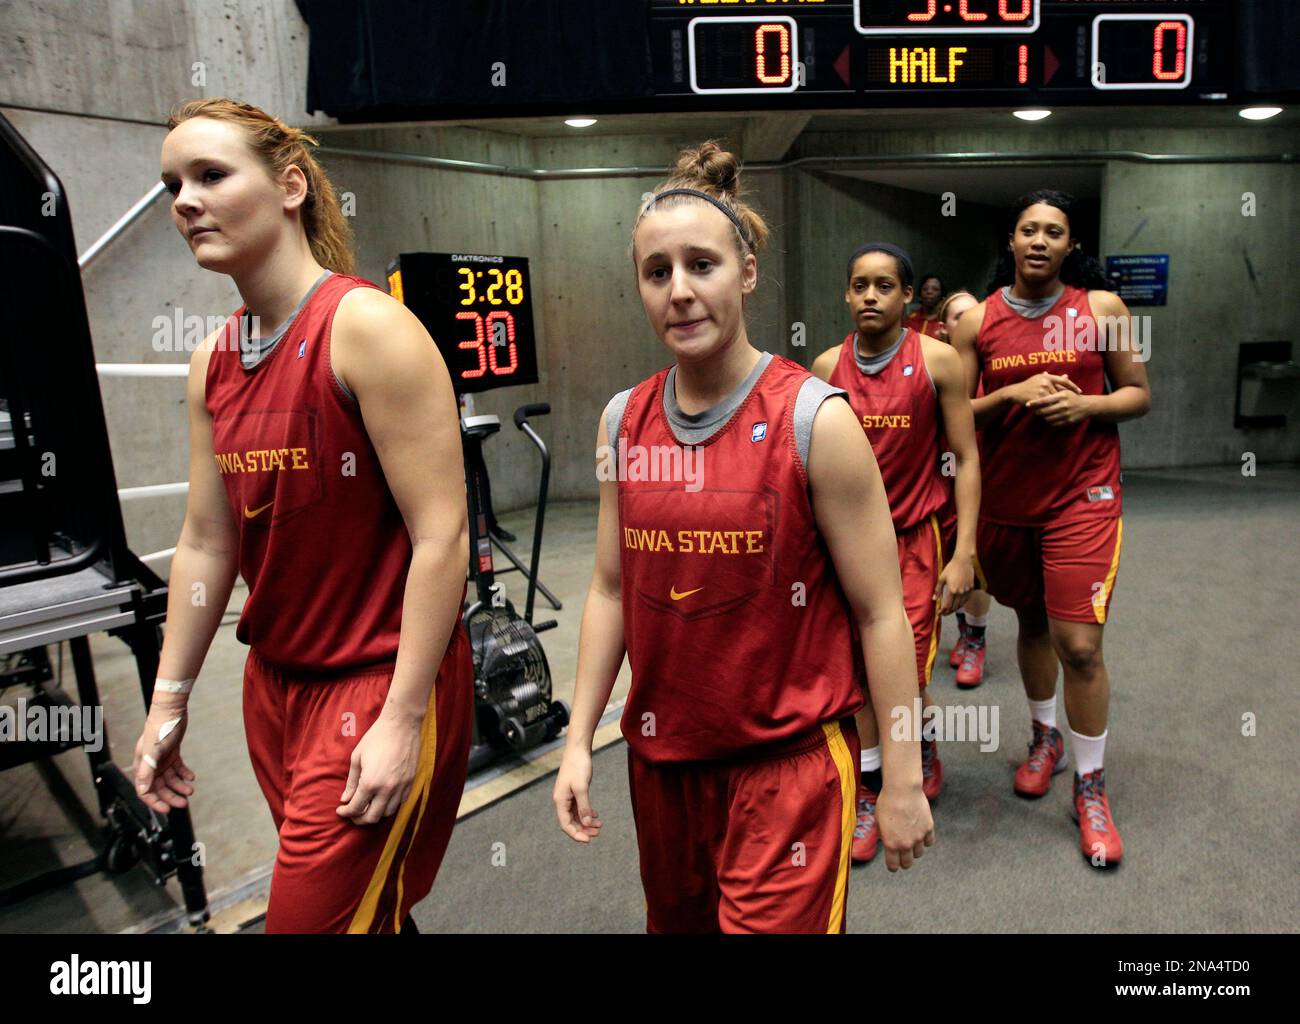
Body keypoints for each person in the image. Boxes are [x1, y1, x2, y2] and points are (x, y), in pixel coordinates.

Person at [553, 141, 934, 932]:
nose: (680, 292)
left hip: (786, 772)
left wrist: (899, 779)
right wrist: (579, 739)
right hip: (664, 771)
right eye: (658, 273)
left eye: (703, 265)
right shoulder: (623, 420)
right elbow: (610, 588)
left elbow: (881, 614)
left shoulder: (814, 420)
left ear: (748, 271)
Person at [134, 98, 474, 932]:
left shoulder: (368, 329)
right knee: (368, 911)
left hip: (378, 679)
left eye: (211, 175)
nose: (184, 199)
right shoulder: (211, 360)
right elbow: (207, 543)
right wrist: (168, 698)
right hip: (276, 688)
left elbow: (444, 537)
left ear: (291, 186)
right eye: (173, 183)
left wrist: (402, 716)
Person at [950, 189, 1151, 867]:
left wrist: (1086, 406)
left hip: (1083, 496)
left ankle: (1092, 787)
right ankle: (1045, 738)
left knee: (1081, 645)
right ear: (1012, 240)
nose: (1039, 240)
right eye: (1029, 229)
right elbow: (956, 420)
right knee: (1031, 625)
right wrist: (1006, 395)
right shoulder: (976, 323)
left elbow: (1137, 393)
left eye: (1054, 232)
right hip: (1008, 503)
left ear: (1071, 246)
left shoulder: (1101, 310)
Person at [812, 246, 980, 864]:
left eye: (885, 286)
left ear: (908, 297)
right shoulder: (826, 365)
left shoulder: (936, 361)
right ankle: (871, 788)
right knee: (854, 679)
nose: (870, 297)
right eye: (859, 285)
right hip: (841, 546)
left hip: (913, 542)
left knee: (901, 677)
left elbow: (966, 456)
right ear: (847, 296)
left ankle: (905, 762)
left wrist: (964, 552)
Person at [937, 289, 994, 687]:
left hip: (978, 474)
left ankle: (976, 639)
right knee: (944, 558)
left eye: (974, 315)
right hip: (936, 480)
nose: (968, 323)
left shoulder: (990, 370)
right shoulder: (928, 363)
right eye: (958, 317)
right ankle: (961, 626)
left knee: (972, 560)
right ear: (944, 328)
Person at [904, 274, 945, 338]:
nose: (929, 292)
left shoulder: (944, 321)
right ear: (920, 294)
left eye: (935, 289)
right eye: (925, 289)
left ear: (942, 295)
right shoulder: (910, 319)